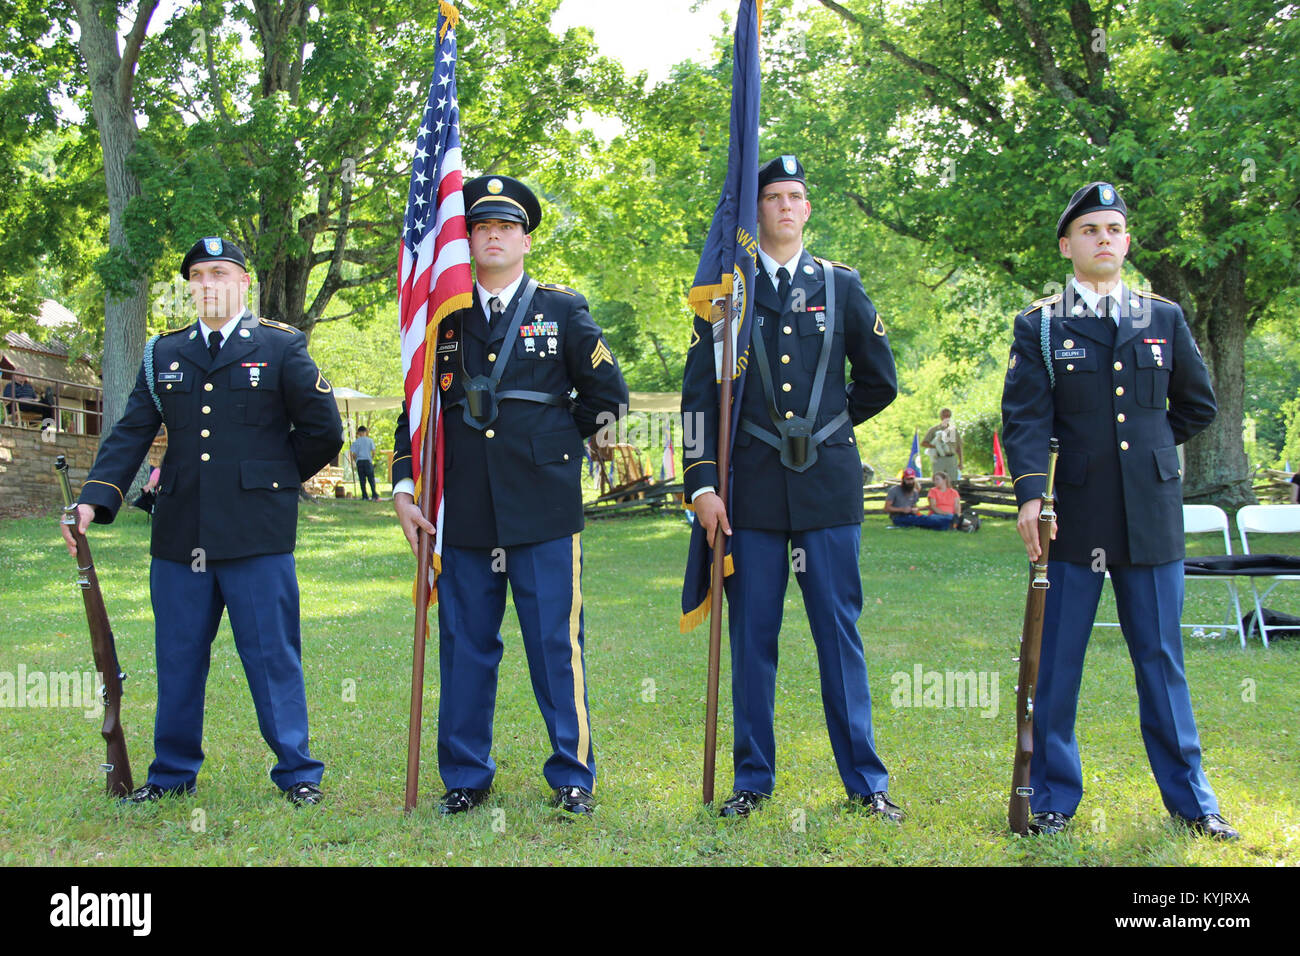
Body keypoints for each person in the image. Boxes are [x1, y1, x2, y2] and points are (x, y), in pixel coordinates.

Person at [61, 236, 342, 807]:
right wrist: (93, 499)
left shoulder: (281, 347)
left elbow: (323, 430)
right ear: (188, 286)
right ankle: (171, 775)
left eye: (221, 272)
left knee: (272, 657)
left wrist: (272, 479)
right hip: (180, 533)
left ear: (244, 282)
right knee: (180, 656)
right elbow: (132, 432)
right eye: (198, 274)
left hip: (256, 535)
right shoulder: (163, 353)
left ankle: (298, 773)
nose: (209, 283)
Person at [1001, 182, 1236, 839]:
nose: (1104, 239)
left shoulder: (1163, 318)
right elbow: (1023, 420)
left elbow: (1198, 405)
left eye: (1114, 229)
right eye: (1090, 230)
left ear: (1127, 242)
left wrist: (1151, 456)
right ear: (1066, 245)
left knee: (1161, 660)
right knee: (1059, 662)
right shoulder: (1042, 325)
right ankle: (1051, 797)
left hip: (1152, 515)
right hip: (1074, 516)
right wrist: (1028, 494)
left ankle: (1194, 802)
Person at [392, 175, 628, 817]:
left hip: (544, 508)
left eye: (505, 228)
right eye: (480, 228)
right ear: (465, 239)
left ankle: (573, 774)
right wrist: (406, 484)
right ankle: (466, 775)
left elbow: (609, 400)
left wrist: (551, 445)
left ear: (525, 239)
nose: (492, 236)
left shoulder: (563, 309)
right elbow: (416, 410)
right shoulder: (444, 317)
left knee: (556, 644)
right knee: (467, 645)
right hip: (463, 508)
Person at [683, 155, 903, 821]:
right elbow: (699, 397)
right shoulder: (727, 293)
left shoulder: (841, 286)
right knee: (752, 639)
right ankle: (752, 781)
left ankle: (866, 783)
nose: (784, 205)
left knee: (839, 638)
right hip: (748, 491)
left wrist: (826, 427)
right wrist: (702, 486)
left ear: (808, 209)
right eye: (773, 196)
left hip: (826, 489)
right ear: (756, 211)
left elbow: (880, 380)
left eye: (795, 196)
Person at [885, 468, 955, 530]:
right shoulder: (894, 490)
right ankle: (952, 523)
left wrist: (915, 510)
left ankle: (951, 521)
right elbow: (886, 508)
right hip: (898, 517)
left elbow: (914, 507)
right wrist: (902, 510)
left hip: (912, 515)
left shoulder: (914, 492)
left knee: (929, 519)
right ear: (903, 479)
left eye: (911, 479)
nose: (910, 482)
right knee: (925, 520)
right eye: (907, 479)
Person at [921, 408, 963, 479]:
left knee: (952, 481)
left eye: (948, 415)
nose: (946, 417)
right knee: (939, 479)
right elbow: (924, 443)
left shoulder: (954, 430)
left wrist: (961, 462)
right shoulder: (934, 429)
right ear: (941, 416)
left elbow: (959, 447)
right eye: (944, 415)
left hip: (951, 458)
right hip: (939, 458)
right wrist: (936, 446)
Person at [350, 425, 378, 500]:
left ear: (358, 433)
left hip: (360, 462)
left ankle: (364, 496)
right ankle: (374, 495)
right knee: (371, 479)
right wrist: (371, 458)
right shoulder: (370, 440)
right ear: (366, 432)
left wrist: (355, 461)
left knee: (362, 480)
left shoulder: (356, 442)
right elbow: (374, 451)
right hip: (368, 461)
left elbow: (353, 454)